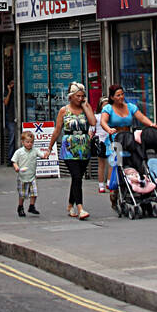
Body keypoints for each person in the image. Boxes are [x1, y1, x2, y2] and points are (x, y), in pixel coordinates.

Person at [41, 81, 96, 219]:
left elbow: (93, 122)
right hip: (69, 148)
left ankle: (70, 205)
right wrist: (49, 148)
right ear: (71, 96)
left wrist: (85, 106)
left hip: (84, 147)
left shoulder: (85, 107)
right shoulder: (64, 111)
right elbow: (57, 130)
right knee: (76, 176)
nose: (80, 98)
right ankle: (80, 208)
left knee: (77, 178)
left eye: (82, 96)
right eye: (78, 96)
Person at [100, 83, 157, 178]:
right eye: (118, 95)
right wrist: (109, 129)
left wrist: (151, 124)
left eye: (122, 94)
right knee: (116, 161)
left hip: (128, 138)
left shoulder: (130, 107)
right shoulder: (108, 108)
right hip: (115, 138)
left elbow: (142, 118)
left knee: (134, 158)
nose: (121, 97)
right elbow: (103, 122)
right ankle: (111, 184)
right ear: (112, 97)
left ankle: (134, 179)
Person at [11, 129, 40, 217]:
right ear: (22, 142)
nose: (29, 144)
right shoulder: (19, 152)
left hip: (32, 176)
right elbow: (14, 161)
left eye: (31, 142)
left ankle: (32, 206)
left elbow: (42, 155)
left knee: (34, 192)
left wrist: (46, 154)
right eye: (27, 142)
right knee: (22, 194)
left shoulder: (35, 150)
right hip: (22, 177)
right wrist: (16, 167)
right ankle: (20, 207)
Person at [94, 95, 110, 193]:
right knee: (101, 164)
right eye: (104, 105)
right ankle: (101, 185)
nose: (106, 107)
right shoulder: (97, 117)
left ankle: (109, 182)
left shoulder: (111, 115)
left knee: (112, 163)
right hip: (100, 140)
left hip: (110, 139)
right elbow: (92, 128)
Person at [3, 78, 17, 161]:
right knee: (11, 139)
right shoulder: (7, 92)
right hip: (10, 118)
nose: (13, 85)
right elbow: (5, 102)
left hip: (16, 117)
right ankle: (10, 158)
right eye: (11, 83)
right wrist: (9, 91)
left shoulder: (17, 92)